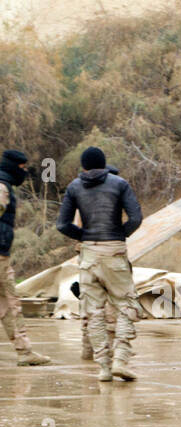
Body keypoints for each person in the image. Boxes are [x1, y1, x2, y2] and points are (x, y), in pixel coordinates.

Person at [56, 147, 144, 382]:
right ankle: (121, 360)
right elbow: (135, 218)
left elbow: (62, 224)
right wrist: (120, 234)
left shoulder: (74, 187)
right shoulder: (119, 184)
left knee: (93, 313)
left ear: (83, 166)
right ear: (104, 164)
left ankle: (104, 367)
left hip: (88, 255)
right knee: (127, 305)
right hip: (113, 249)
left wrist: (84, 236)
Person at [0, 149, 52, 366]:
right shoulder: (2, 186)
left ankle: (24, 350)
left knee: (7, 305)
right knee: (11, 303)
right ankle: (24, 351)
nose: (24, 173)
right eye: (22, 168)